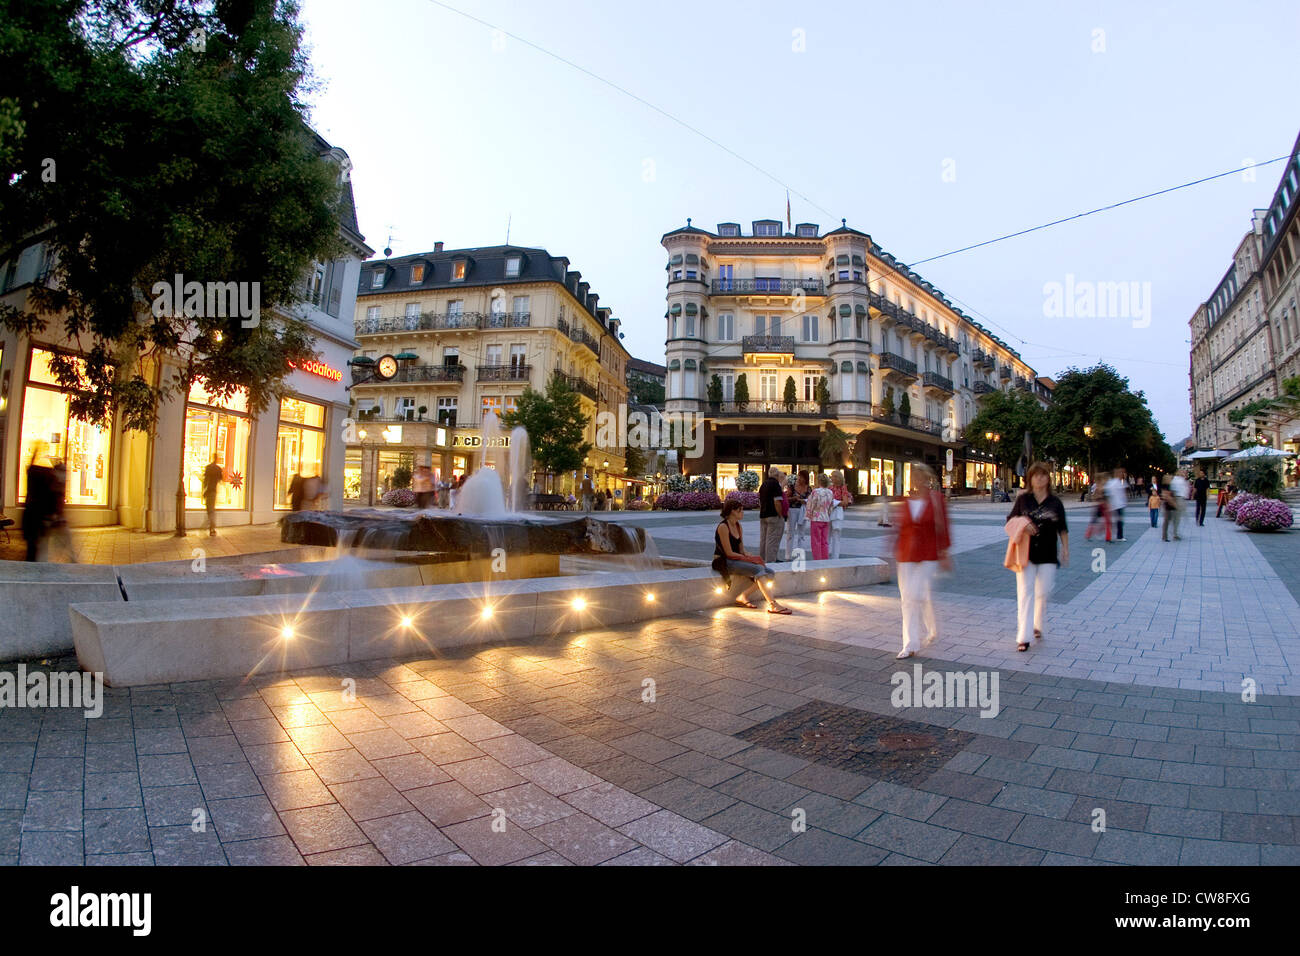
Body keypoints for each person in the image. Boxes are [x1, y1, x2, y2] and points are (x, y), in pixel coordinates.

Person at [1005, 461, 1069, 652]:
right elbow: (1010, 520)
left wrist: (1065, 549)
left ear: (1048, 478)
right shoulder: (1024, 500)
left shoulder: (1055, 502)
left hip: (1049, 553)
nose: (1039, 478)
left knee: (1043, 592)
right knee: (1025, 593)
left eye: (1043, 475)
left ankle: (1037, 624)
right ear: (1030, 478)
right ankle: (1023, 637)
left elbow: (1062, 528)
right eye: (1035, 475)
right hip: (1027, 553)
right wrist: (1023, 525)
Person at [892, 463, 951, 659]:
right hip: (906, 554)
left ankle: (928, 631)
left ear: (927, 479)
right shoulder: (905, 500)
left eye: (920, 477)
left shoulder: (936, 500)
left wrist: (945, 552)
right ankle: (909, 645)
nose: (916, 481)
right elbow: (899, 529)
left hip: (928, 554)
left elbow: (944, 527)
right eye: (913, 477)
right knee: (907, 599)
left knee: (915, 595)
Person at [713, 499, 790, 614]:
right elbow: (728, 553)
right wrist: (748, 559)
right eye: (740, 510)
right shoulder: (723, 527)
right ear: (733, 511)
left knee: (770, 572)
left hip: (736, 558)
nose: (743, 512)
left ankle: (743, 596)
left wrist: (750, 556)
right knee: (759, 569)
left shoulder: (738, 526)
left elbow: (741, 550)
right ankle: (772, 604)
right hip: (725, 561)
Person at [21, 441, 58, 562]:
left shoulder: (32, 472)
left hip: (31, 515)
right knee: (40, 548)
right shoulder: (47, 475)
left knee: (32, 548)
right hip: (40, 517)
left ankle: (32, 568)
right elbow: (52, 495)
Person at [757, 466, 785, 564]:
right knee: (772, 540)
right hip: (773, 515)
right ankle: (770, 561)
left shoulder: (763, 484)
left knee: (763, 539)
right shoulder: (775, 485)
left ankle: (762, 559)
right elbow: (777, 502)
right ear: (777, 475)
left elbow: (760, 501)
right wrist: (780, 515)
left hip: (763, 515)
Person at [806, 473, 835, 560]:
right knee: (824, 540)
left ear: (819, 481)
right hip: (826, 518)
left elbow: (811, 504)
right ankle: (825, 558)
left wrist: (808, 515)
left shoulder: (815, 492)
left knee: (816, 540)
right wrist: (828, 514)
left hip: (816, 518)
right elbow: (831, 506)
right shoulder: (830, 492)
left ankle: (817, 559)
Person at [781, 474, 806, 561]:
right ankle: (788, 555)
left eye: (801, 477)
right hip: (792, 510)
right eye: (799, 477)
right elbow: (786, 498)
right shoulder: (791, 487)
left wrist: (805, 501)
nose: (799, 479)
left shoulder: (808, 488)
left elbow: (810, 499)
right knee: (790, 532)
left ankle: (800, 555)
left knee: (801, 533)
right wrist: (794, 498)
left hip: (803, 510)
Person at [828, 469, 852, 559]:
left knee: (836, 535)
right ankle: (826, 555)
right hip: (829, 512)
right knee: (827, 535)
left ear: (838, 478)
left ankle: (835, 557)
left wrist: (835, 503)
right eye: (831, 476)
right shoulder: (829, 487)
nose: (831, 478)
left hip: (837, 512)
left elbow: (845, 502)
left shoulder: (843, 487)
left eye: (833, 476)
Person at [203, 456, 224, 536]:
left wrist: (204, 490)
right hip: (213, 491)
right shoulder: (218, 469)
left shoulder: (208, 467)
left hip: (208, 491)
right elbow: (220, 480)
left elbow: (205, 480)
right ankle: (211, 527)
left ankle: (211, 527)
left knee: (210, 510)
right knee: (211, 510)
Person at [1104, 467, 1127, 542]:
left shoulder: (1119, 482)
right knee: (1118, 521)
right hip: (1116, 505)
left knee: (1118, 521)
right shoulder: (1113, 482)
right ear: (1117, 474)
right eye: (1121, 473)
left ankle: (1117, 535)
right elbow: (1108, 493)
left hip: (1119, 505)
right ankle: (1119, 536)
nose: (1122, 474)